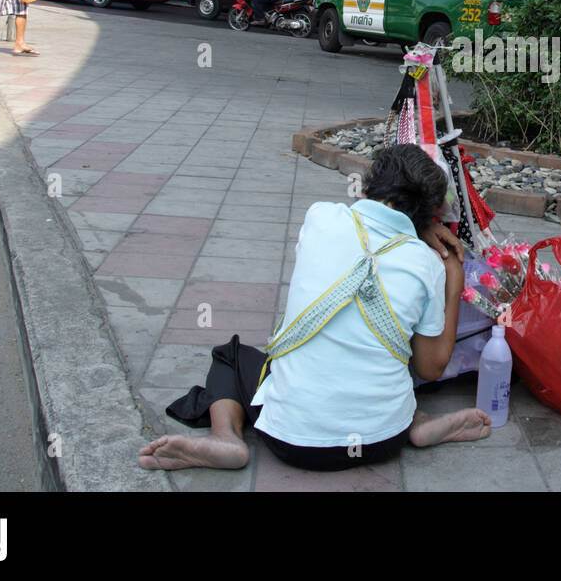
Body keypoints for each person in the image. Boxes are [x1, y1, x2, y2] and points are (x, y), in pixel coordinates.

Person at [139, 145, 491, 473]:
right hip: (383, 441)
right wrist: (453, 273)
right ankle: (417, 424)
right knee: (386, 365)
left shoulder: (321, 217)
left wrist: (416, 224)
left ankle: (226, 438)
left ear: (368, 184)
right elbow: (431, 368)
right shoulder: (426, 264)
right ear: (429, 213)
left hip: (289, 441)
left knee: (231, 357)